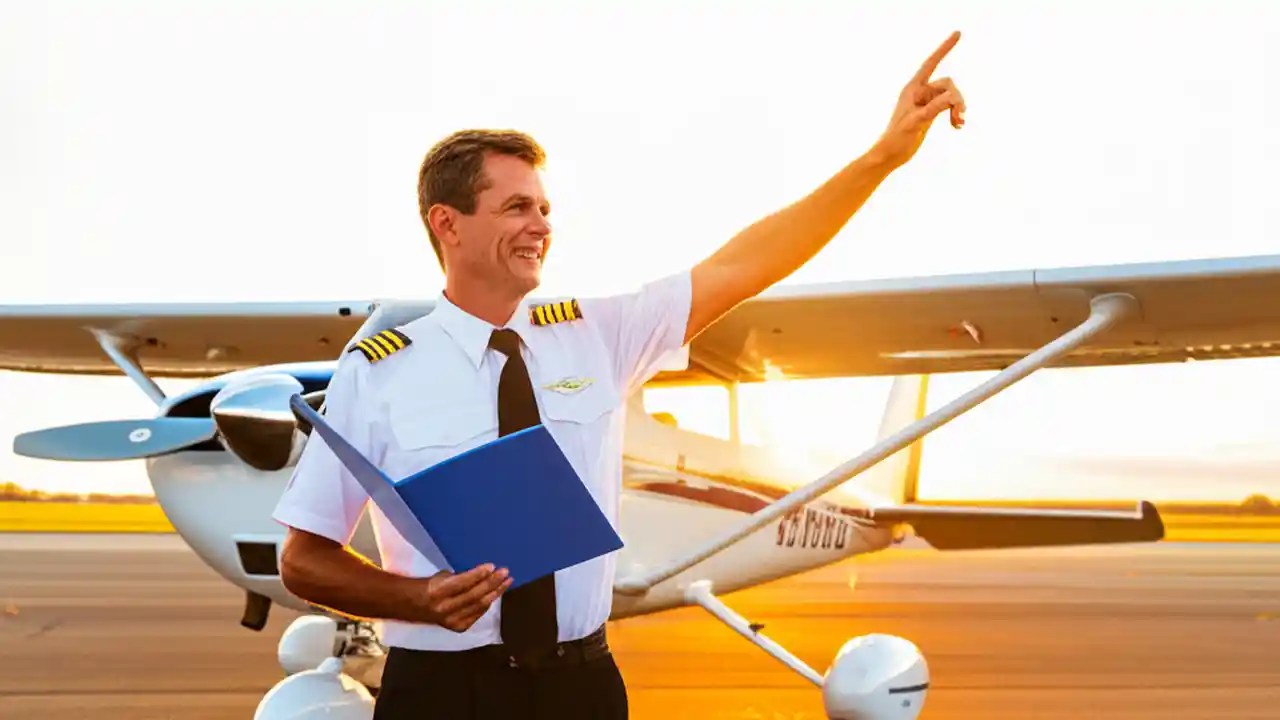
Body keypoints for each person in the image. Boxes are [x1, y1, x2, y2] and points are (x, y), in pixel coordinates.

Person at [273, 31, 966, 720]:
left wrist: (882, 158)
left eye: (544, 207)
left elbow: (747, 264)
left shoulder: (598, 335)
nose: (541, 225)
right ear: (447, 225)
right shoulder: (378, 370)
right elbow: (303, 557)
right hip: (442, 690)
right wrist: (415, 601)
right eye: (516, 207)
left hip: (580, 686)